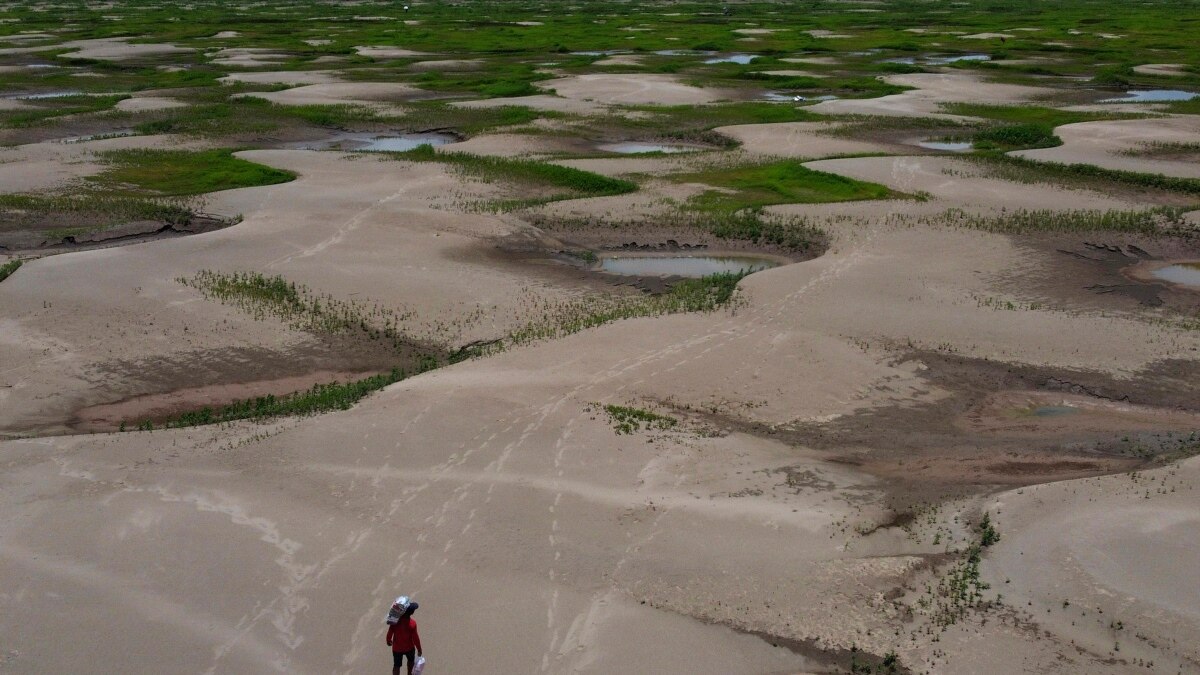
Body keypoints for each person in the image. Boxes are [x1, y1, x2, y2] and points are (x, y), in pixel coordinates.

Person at [386, 598, 422, 675]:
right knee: (411, 662)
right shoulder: (412, 624)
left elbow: (390, 633)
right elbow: (415, 638)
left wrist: (388, 640)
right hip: (409, 648)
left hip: (397, 648)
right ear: (411, 613)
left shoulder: (395, 622)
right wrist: (419, 649)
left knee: (396, 665)